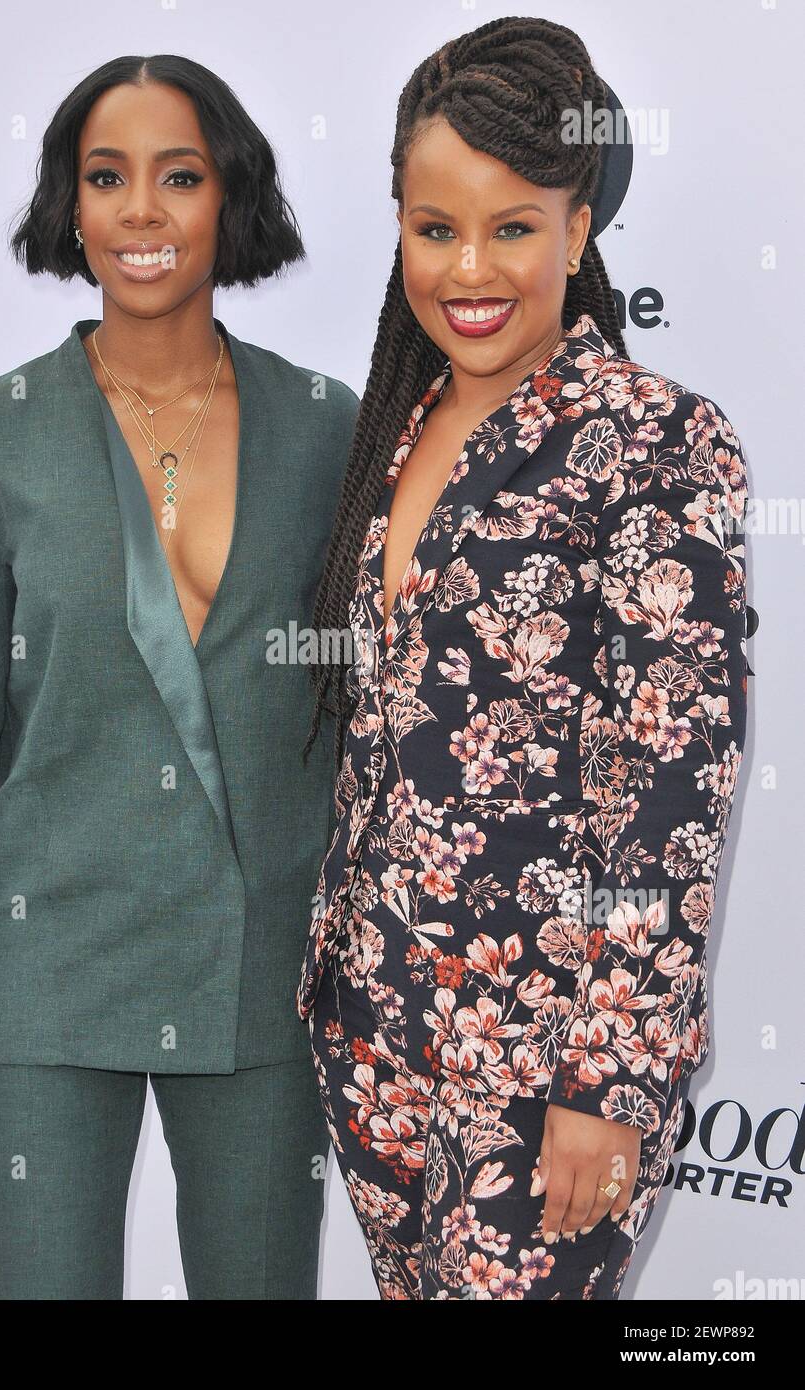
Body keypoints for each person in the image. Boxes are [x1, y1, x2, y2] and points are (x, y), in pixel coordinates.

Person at [0, 54, 358, 1300]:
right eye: (108, 178)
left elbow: (368, 716)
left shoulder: (328, 426)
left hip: (261, 974)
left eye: (180, 176)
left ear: (230, 199)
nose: (141, 211)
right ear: (72, 205)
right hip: (47, 967)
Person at [299, 17, 749, 1300]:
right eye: (435, 228)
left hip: (545, 1046)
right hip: (374, 1009)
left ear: (580, 227)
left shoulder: (658, 438)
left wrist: (609, 1080)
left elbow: (674, 781)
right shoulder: (400, 422)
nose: (469, 268)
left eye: (512, 225)